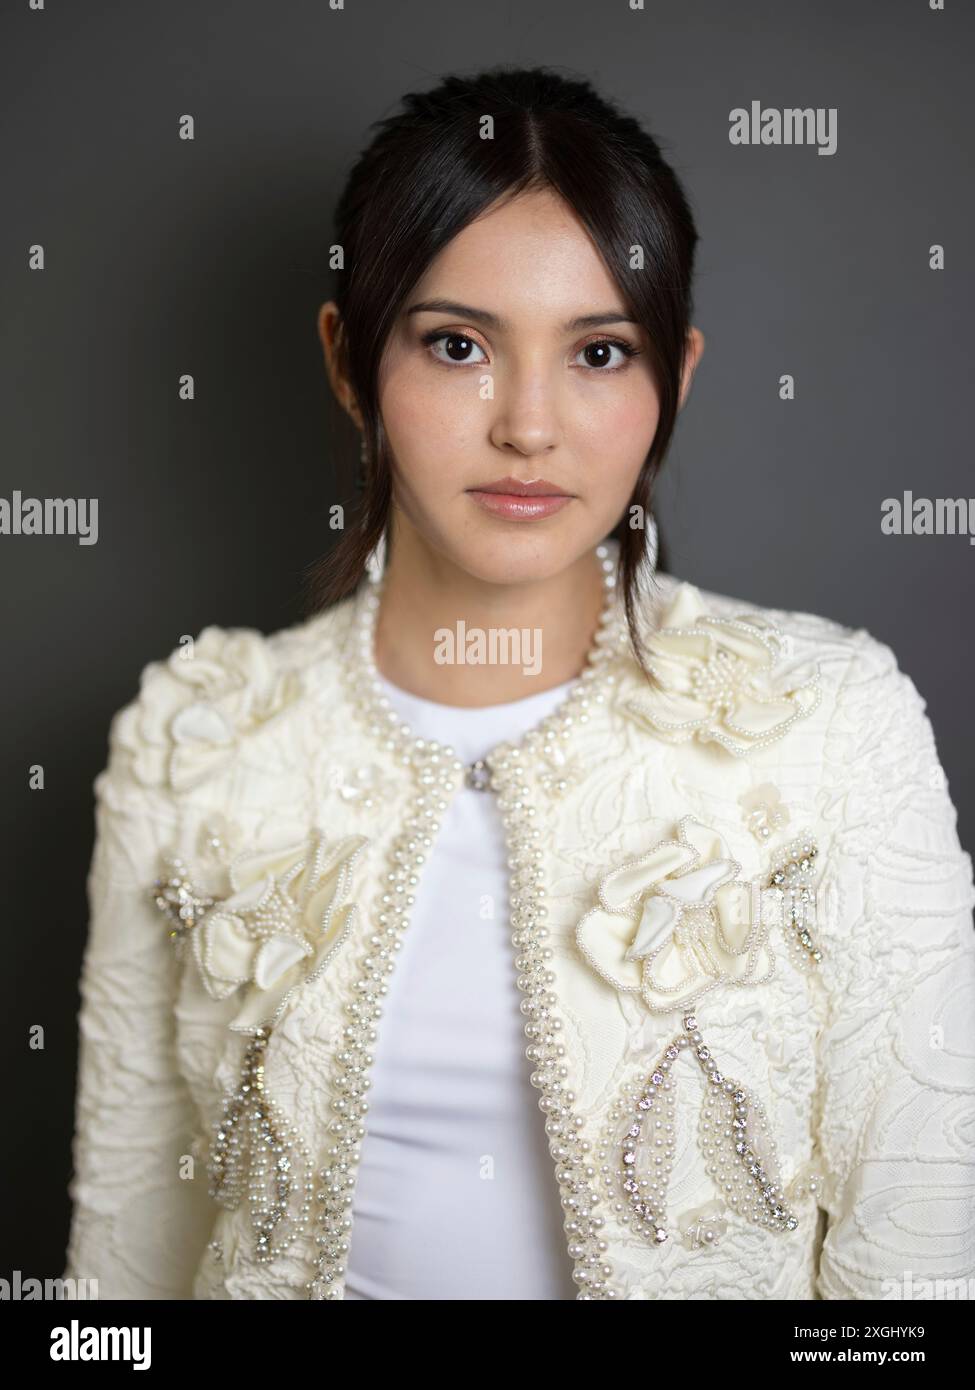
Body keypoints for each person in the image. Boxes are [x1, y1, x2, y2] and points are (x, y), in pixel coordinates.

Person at [63, 65, 975, 1301]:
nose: (529, 425)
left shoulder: (832, 722)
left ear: (677, 380)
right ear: (348, 360)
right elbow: (123, 1274)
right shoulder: (194, 743)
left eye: (600, 352)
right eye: (457, 345)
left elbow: (921, 1271)